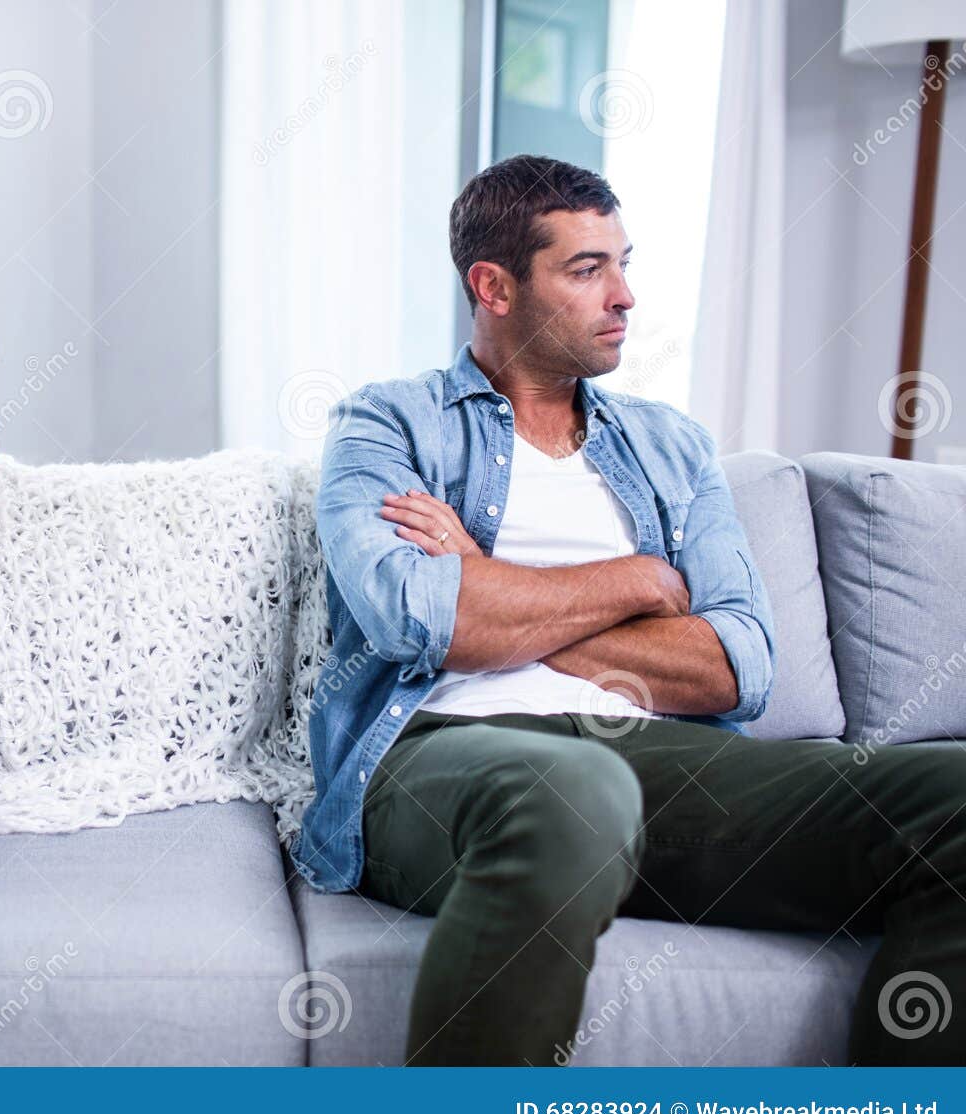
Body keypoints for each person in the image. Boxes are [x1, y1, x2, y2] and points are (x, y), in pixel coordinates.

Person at [295, 152, 966, 1066]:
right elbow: (421, 623)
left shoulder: (669, 446)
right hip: (443, 752)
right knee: (579, 794)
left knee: (954, 794)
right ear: (493, 286)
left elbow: (741, 664)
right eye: (586, 269)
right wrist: (646, 581)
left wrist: (491, 581)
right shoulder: (388, 424)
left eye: (624, 262)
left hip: (655, 759)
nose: (625, 296)